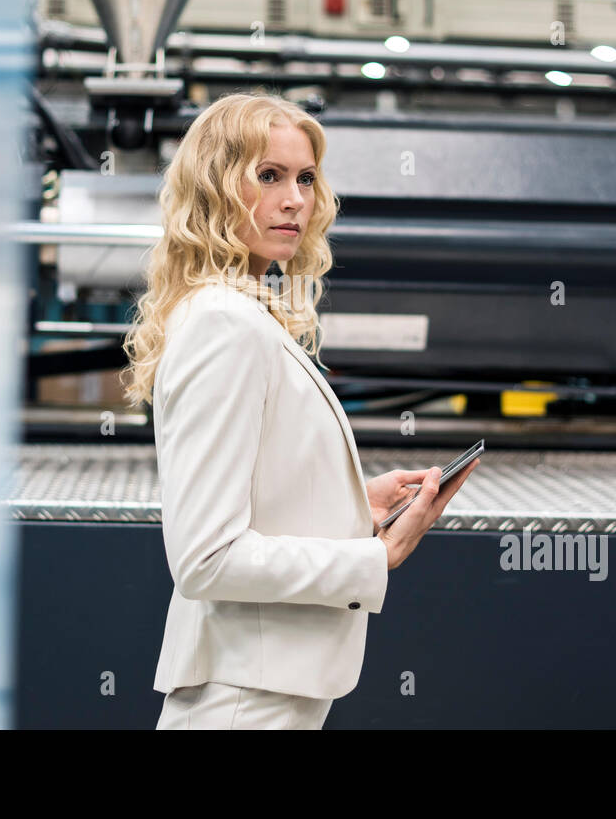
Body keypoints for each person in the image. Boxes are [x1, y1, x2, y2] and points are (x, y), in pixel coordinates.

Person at [121, 90, 480, 729]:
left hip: (261, 691)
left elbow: (259, 490)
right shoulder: (226, 326)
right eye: (269, 176)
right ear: (215, 187)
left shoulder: (241, 312)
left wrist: (353, 508)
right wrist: (375, 557)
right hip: (243, 703)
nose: (294, 199)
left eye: (306, 178)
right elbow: (206, 558)